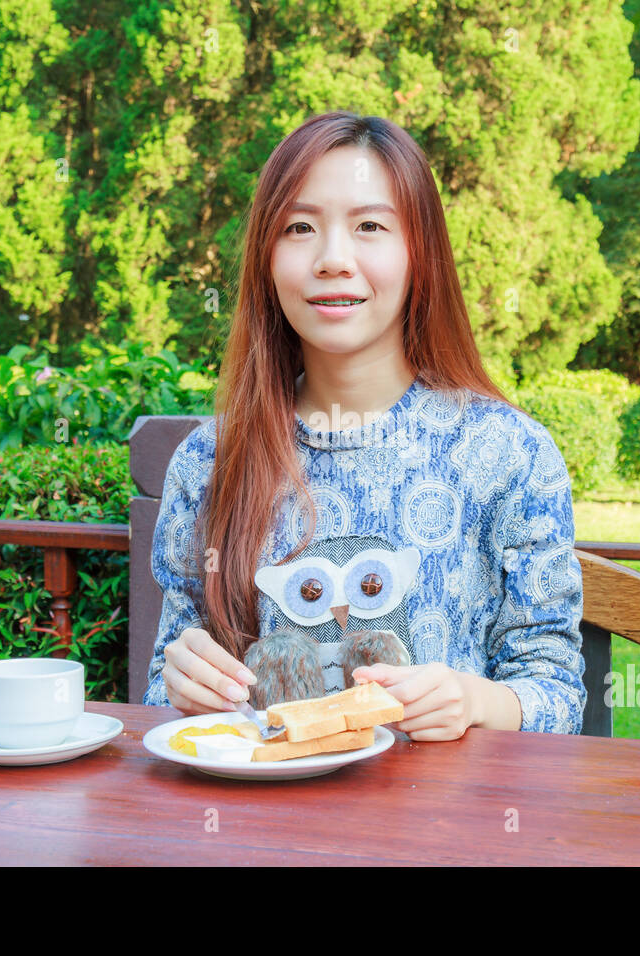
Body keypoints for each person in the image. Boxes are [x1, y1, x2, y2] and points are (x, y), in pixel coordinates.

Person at [143, 111, 585, 738]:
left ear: (418, 252)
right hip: (259, 824)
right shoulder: (209, 460)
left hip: (445, 824)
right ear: (266, 260)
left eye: (370, 226)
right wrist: (181, 684)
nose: (332, 259)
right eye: (299, 227)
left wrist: (474, 701)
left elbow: (559, 694)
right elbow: (163, 692)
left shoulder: (507, 453)